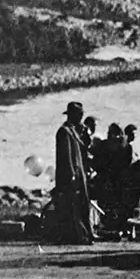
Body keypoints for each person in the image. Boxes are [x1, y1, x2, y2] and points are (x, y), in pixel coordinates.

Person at [50, 101, 94, 245]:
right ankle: (76, 235)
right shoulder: (64, 131)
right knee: (72, 205)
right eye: (79, 114)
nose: (81, 117)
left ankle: (84, 234)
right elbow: (66, 155)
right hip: (71, 175)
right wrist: (72, 174)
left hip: (79, 173)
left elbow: (84, 149)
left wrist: (85, 135)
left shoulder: (75, 131)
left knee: (81, 205)